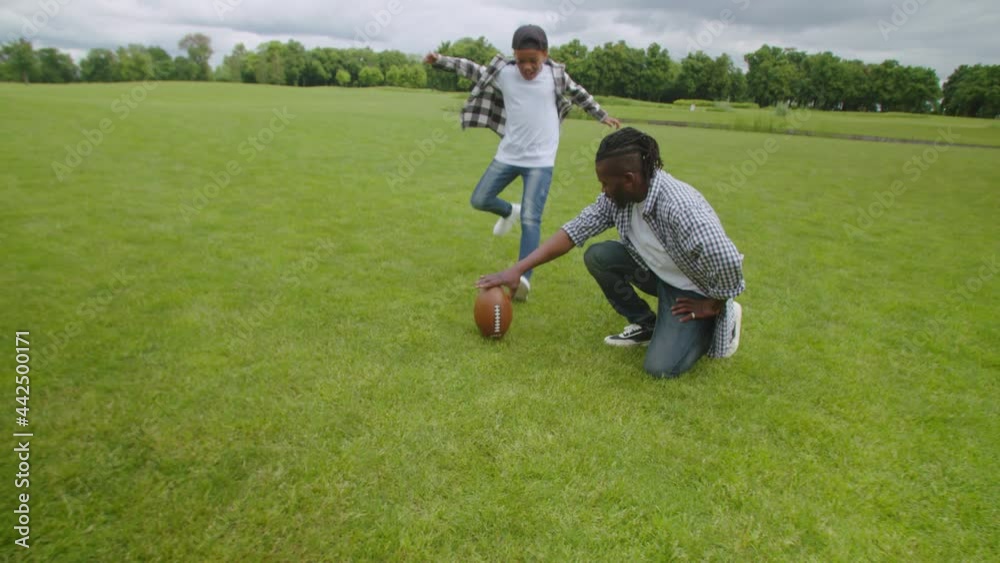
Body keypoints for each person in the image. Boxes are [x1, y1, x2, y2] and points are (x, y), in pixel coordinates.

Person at [476, 128, 745, 378]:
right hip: (657, 273)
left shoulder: (678, 206)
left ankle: (722, 318)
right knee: (599, 256)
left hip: (690, 291)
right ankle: (648, 325)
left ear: (629, 179)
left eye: (605, 182)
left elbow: (727, 257)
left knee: (660, 368)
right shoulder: (619, 198)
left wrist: (713, 303)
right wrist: (518, 269)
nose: (602, 190)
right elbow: (574, 231)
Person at [425, 24, 620, 302]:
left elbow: (579, 93)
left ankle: (523, 279)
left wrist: (601, 115)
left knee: (531, 219)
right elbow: (471, 69)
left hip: (541, 160)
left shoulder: (555, 75)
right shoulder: (504, 73)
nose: (527, 67)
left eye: (533, 61)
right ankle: (508, 211)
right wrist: (440, 60)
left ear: (545, 55)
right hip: (508, 154)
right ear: (514, 56)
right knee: (479, 199)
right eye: (521, 61)